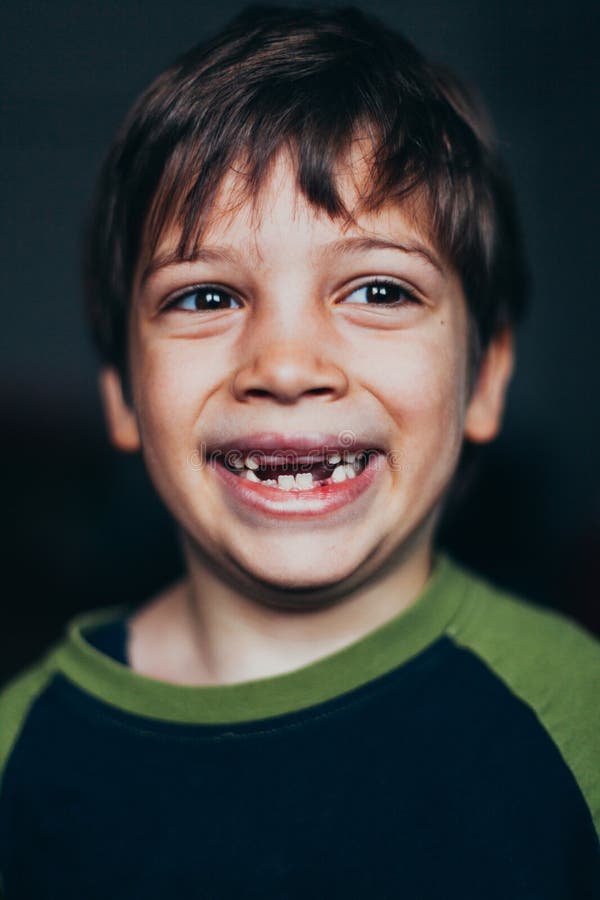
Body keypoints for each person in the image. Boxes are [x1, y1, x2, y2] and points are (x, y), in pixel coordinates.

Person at [0, 5, 598, 896]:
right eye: (203, 298)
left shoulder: (579, 720)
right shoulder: (20, 753)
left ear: (485, 381)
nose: (284, 365)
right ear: (123, 393)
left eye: (380, 288)